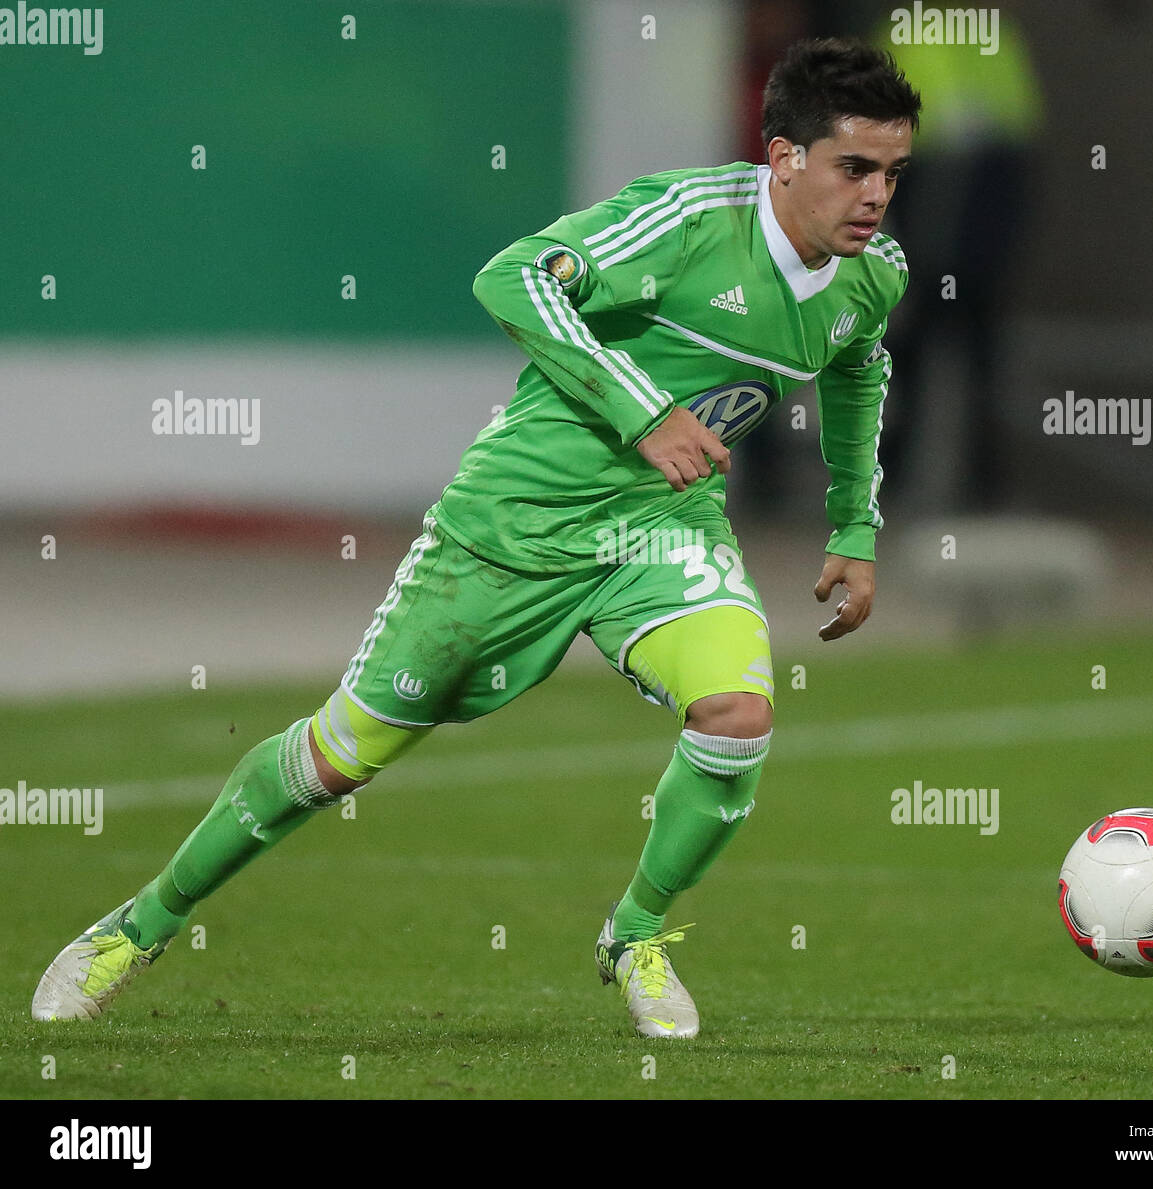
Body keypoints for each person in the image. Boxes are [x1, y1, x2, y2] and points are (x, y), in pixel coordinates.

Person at [32, 38, 920, 1039]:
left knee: (736, 714)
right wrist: (645, 411)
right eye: (855, 166)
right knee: (338, 758)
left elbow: (858, 368)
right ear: (783, 157)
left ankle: (635, 936)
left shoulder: (872, 275)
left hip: (658, 530)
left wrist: (854, 523)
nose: (876, 196)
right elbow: (514, 278)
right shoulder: (686, 220)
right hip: (511, 526)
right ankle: (138, 926)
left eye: (893, 172)